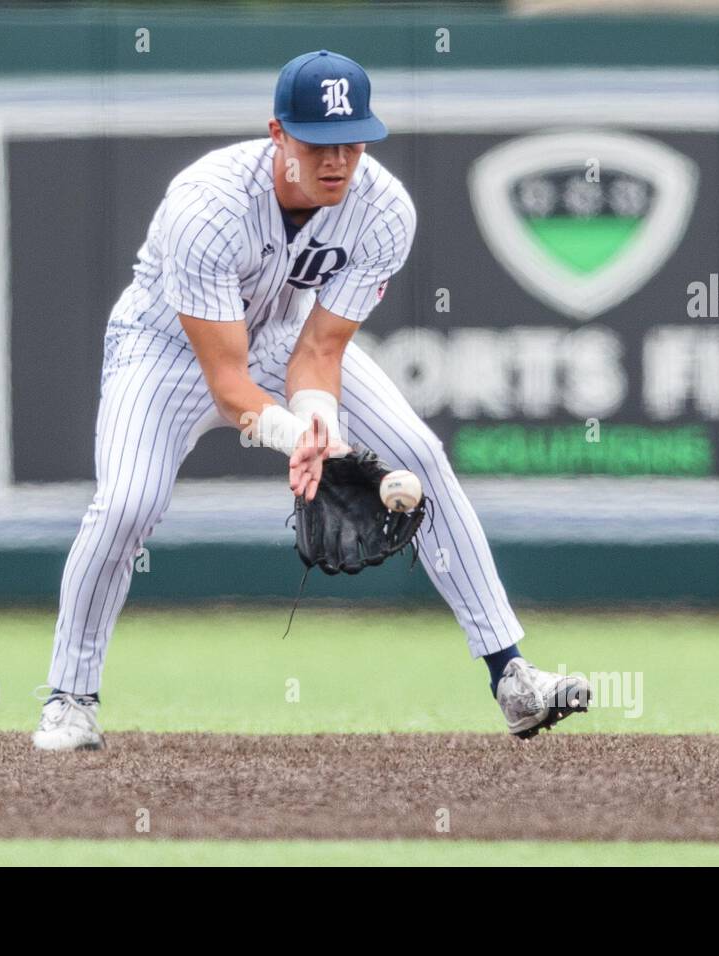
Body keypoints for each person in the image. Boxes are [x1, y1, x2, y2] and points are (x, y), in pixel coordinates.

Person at [33, 50, 590, 751]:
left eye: (353, 141)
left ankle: (512, 677)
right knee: (127, 503)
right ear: (278, 133)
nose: (338, 161)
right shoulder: (206, 206)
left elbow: (318, 351)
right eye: (319, 143)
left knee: (418, 452)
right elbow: (227, 380)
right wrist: (291, 436)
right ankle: (70, 698)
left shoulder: (383, 209)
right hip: (163, 349)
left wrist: (319, 420)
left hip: (286, 337)